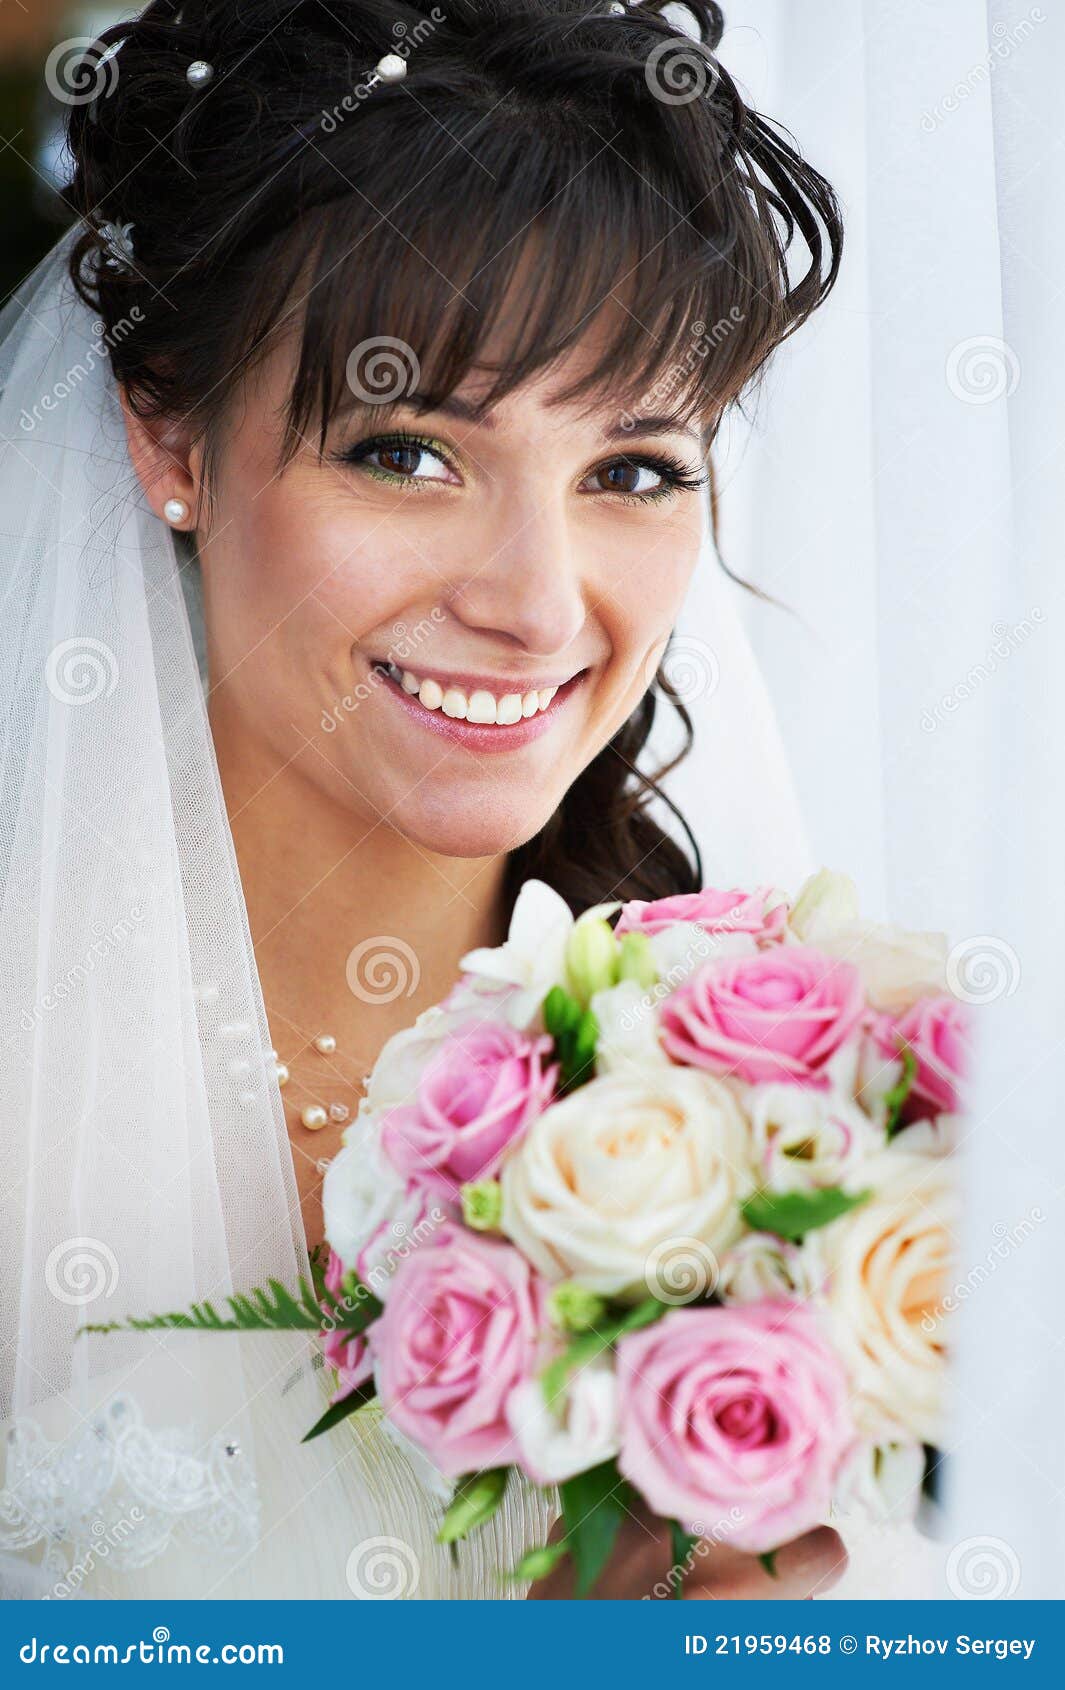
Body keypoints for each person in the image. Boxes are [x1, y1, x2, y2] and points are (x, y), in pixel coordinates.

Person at [0, 0, 847, 1598]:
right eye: (406, 453)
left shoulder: (777, 1120)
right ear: (165, 433)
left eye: (633, 469)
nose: (538, 603)